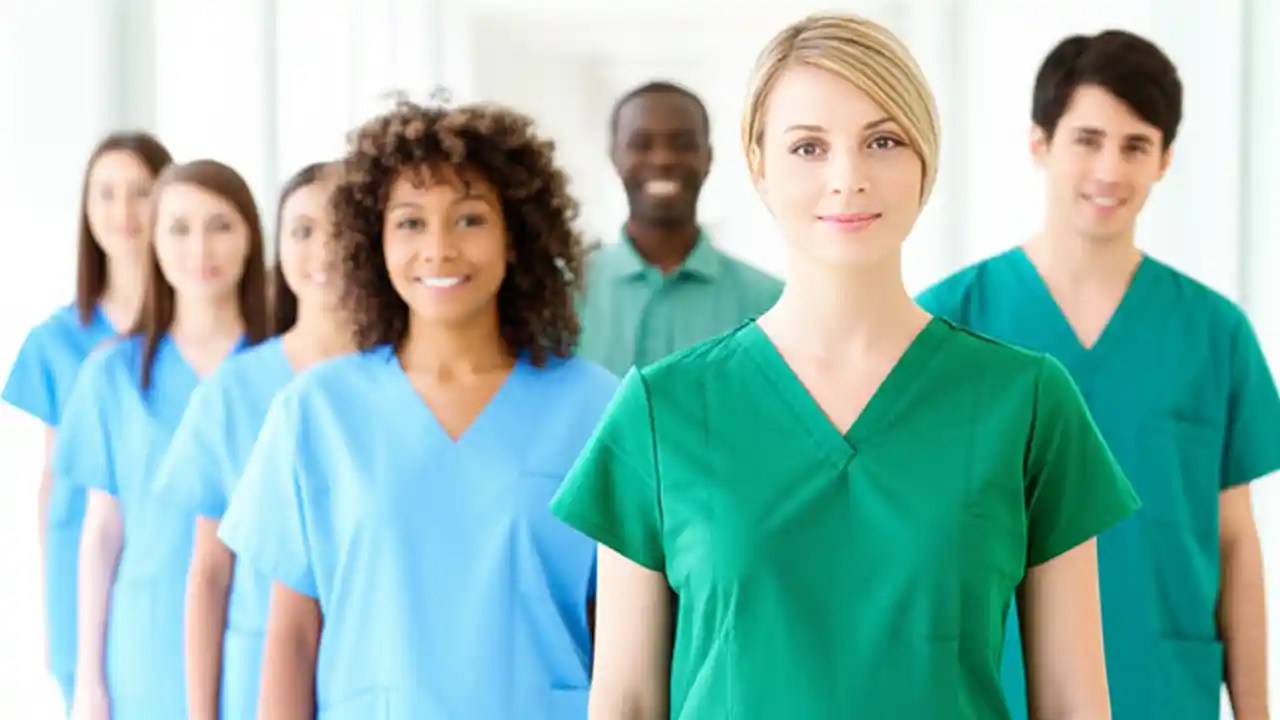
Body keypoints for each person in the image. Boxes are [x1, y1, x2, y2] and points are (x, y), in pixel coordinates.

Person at [550, 12, 1141, 719]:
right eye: (808, 146)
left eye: (883, 141)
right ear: (758, 164)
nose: (848, 178)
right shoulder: (660, 410)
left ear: (926, 159)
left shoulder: (1028, 403)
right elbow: (627, 702)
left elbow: (1075, 702)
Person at [917, 30, 1280, 720]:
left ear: (1165, 159)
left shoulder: (1213, 333)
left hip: (1164, 688)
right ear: (1039, 144)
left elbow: (1236, 539)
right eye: (1087, 140)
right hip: (996, 693)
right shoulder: (949, 322)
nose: (1109, 170)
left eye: (1135, 145)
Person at [217, 98, 618, 719]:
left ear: (517, 238)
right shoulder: (317, 411)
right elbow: (294, 636)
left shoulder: (594, 408)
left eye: (470, 219)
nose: (439, 248)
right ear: (372, 241)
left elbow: (623, 636)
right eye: (409, 222)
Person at [57, 159, 269, 720]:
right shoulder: (113, 375)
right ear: (152, 243)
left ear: (251, 236)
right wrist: (89, 683)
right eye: (178, 228)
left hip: (264, 637)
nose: (201, 247)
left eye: (220, 225)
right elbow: (102, 531)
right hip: (148, 642)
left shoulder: (285, 371)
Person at [153, 161, 349, 720]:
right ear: (278, 245)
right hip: (255, 671)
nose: (323, 249)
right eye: (303, 230)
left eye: (341, 228)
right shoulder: (235, 389)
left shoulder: (402, 380)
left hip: (367, 668)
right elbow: (210, 572)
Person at [1, 131, 171, 712]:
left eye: (140, 192)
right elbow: (55, 478)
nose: (123, 212)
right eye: (106, 194)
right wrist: (56, 607)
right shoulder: (56, 341)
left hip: (174, 560)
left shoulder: (200, 334)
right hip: (85, 560)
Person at [575, 80, 782, 375]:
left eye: (683, 144)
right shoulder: (564, 295)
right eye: (641, 144)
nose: (663, 159)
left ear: (708, 157)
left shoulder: (770, 305)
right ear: (614, 156)